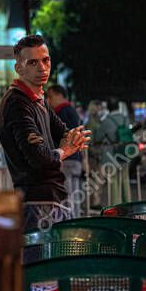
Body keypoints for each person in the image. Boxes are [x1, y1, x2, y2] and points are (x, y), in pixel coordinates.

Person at [0, 35, 89, 234]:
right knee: (43, 263)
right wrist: (64, 150)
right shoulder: (17, 103)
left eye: (45, 60)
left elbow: (65, 132)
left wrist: (68, 142)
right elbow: (39, 158)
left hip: (52, 199)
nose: (42, 68)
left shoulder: (39, 99)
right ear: (19, 69)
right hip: (37, 204)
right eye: (33, 62)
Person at [47, 84, 84, 215]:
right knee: (74, 196)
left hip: (67, 159)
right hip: (74, 160)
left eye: (50, 96)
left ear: (59, 95)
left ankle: (71, 227)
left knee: (68, 198)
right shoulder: (72, 111)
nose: (48, 101)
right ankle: (76, 223)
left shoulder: (62, 112)